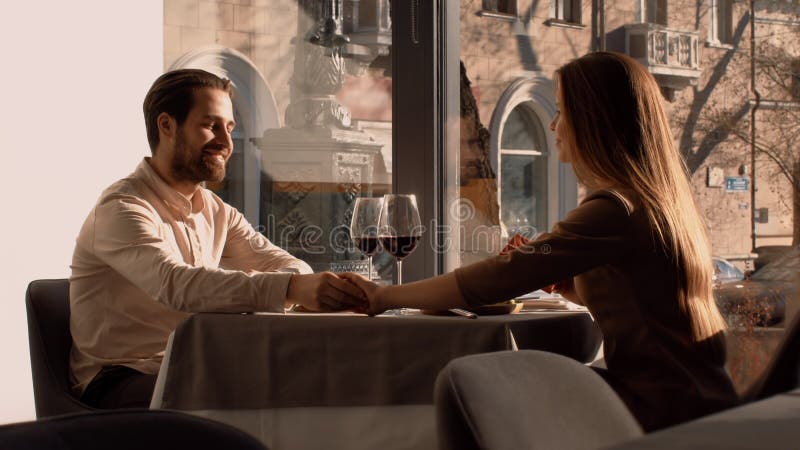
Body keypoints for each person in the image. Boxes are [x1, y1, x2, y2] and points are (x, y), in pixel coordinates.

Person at [343, 52, 738, 432]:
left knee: (467, 390)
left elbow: (497, 279)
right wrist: (580, 287)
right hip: (698, 394)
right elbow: (649, 296)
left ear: (593, 121)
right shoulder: (659, 200)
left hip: (656, 405)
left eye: (562, 111)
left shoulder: (613, 208)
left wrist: (385, 298)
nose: (553, 126)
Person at [70, 69, 365, 409]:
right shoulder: (122, 208)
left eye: (230, 128)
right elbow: (177, 284)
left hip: (192, 364)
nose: (226, 144)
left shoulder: (214, 210)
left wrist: (302, 283)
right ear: (166, 126)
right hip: (119, 379)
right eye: (211, 126)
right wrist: (291, 289)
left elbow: (284, 263)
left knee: (309, 382)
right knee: (250, 396)